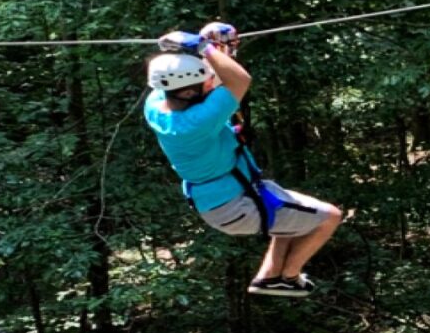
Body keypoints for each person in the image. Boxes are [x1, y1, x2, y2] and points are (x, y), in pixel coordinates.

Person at [144, 23, 342, 297]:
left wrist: (211, 49)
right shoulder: (197, 121)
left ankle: (270, 275)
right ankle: (289, 276)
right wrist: (204, 47)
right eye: (207, 81)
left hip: (226, 198)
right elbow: (239, 81)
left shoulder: (156, 106)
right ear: (190, 92)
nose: (212, 81)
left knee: (294, 217)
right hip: (236, 205)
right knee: (329, 217)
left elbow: (188, 77)